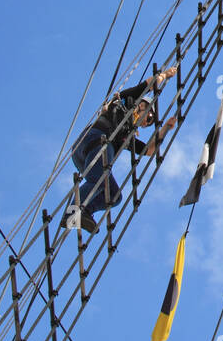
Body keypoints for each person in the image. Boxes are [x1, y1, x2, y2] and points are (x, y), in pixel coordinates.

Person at [63, 68, 178, 233]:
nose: (147, 121)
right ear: (141, 104)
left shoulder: (126, 134)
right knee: (99, 179)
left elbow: (148, 150)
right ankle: (72, 212)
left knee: (114, 196)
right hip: (96, 139)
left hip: (88, 155)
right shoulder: (125, 100)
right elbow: (149, 84)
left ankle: (85, 211)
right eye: (148, 115)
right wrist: (165, 75)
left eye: (149, 122)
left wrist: (165, 128)